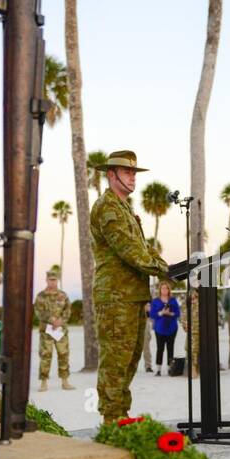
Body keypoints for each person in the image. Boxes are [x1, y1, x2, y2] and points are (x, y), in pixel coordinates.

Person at [89, 150, 169, 425]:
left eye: (134, 172)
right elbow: (129, 250)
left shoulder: (125, 208)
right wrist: (164, 270)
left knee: (130, 358)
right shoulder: (107, 207)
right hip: (115, 297)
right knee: (115, 360)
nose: (133, 177)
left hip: (132, 295)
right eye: (127, 172)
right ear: (111, 174)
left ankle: (121, 415)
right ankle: (111, 419)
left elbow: (143, 248)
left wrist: (169, 267)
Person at [33, 265, 74, 391]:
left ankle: (65, 382)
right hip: (47, 331)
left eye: (54, 280)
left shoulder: (63, 295)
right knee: (45, 356)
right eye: (50, 280)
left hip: (61, 331)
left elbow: (68, 309)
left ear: (57, 280)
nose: (53, 282)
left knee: (63, 355)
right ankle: (44, 383)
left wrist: (61, 321)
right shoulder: (41, 296)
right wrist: (52, 320)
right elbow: (38, 311)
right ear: (46, 280)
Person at [147, 280, 180, 376]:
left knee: (170, 348)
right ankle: (158, 369)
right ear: (160, 290)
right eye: (163, 288)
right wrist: (161, 313)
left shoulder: (173, 300)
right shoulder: (155, 301)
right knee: (160, 348)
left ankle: (170, 368)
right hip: (159, 329)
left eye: (166, 288)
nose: (164, 290)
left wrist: (170, 313)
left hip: (172, 328)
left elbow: (178, 313)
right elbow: (152, 314)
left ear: (169, 290)